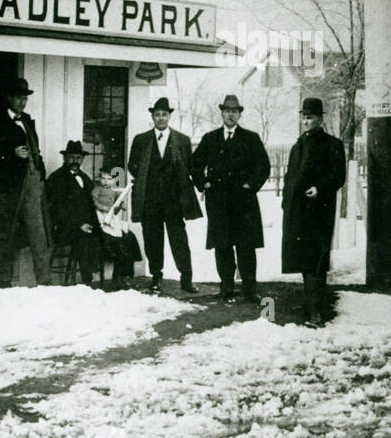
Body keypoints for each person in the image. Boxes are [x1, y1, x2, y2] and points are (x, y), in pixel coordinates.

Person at [191, 94, 271, 303]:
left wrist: (250, 185)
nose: (231, 115)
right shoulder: (211, 138)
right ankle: (226, 288)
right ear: (222, 113)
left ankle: (250, 290)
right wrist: (204, 183)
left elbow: (263, 166)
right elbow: (194, 164)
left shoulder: (251, 138)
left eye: (234, 111)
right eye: (227, 111)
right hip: (218, 202)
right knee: (222, 245)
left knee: (246, 246)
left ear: (239, 114)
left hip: (243, 202)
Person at [281, 97, 346, 326]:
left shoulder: (332, 145)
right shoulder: (298, 145)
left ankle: (317, 312)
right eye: (304, 117)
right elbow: (290, 176)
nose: (306, 121)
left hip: (319, 212)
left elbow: (338, 176)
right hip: (297, 212)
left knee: (316, 261)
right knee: (302, 260)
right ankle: (310, 308)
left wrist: (319, 188)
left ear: (320, 119)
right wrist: (286, 203)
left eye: (310, 117)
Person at [127, 96, 202, 294]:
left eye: (164, 114)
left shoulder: (182, 140)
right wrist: (147, 178)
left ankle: (186, 278)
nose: (161, 118)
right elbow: (132, 165)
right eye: (157, 114)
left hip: (174, 201)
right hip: (150, 200)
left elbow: (190, 166)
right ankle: (156, 277)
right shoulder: (141, 139)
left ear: (169, 116)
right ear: (152, 117)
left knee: (179, 240)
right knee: (153, 240)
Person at [0, 77, 53, 286]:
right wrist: (10, 154)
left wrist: (39, 170)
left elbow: (35, 148)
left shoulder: (28, 120)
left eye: (25, 98)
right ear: (9, 99)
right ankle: (3, 279)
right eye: (18, 98)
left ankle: (44, 279)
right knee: (7, 231)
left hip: (32, 181)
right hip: (10, 184)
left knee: (38, 231)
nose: (22, 102)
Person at [44, 140, 98, 284]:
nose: (75, 161)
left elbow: (92, 205)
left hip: (87, 225)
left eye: (79, 158)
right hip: (64, 228)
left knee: (125, 236)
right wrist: (79, 225)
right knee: (86, 239)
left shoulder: (85, 178)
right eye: (71, 157)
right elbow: (57, 210)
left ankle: (121, 278)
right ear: (65, 158)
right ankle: (88, 281)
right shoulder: (56, 178)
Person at [88, 170, 143, 289]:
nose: (106, 181)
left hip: (111, 217)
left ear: (113, 181)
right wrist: (103, 207)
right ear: (99, 179)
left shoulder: (113, 191)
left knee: (126, 237)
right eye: (103, 179)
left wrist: (122, 206)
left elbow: (119, 200)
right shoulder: (97, 189)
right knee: (108, 235)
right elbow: (94, 201)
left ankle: (122, 276)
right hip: (101, 216)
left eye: (109, 179)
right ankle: (111, 250)